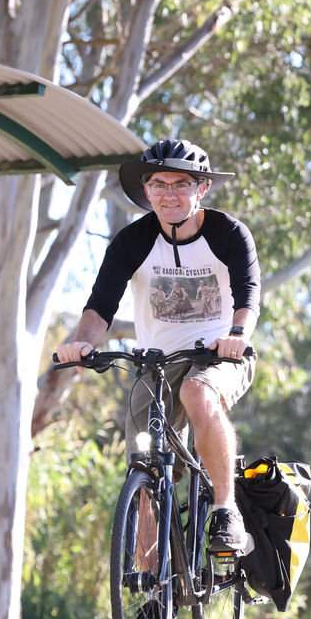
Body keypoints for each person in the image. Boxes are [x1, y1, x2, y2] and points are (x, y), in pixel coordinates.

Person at [54, 138, 260, 563]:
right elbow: (100, 305)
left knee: (198, 395)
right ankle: (149, 590)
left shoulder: (229, 233)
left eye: (181, 184)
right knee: (145, 466)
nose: (169, 193)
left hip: (218, 356)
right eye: (159, 184)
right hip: (155, 363)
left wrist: (237, 334)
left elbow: (248, 295)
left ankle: (225, 510)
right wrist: (82, 342)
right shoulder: (132, 240)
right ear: (146, 191)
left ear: (201, 189)